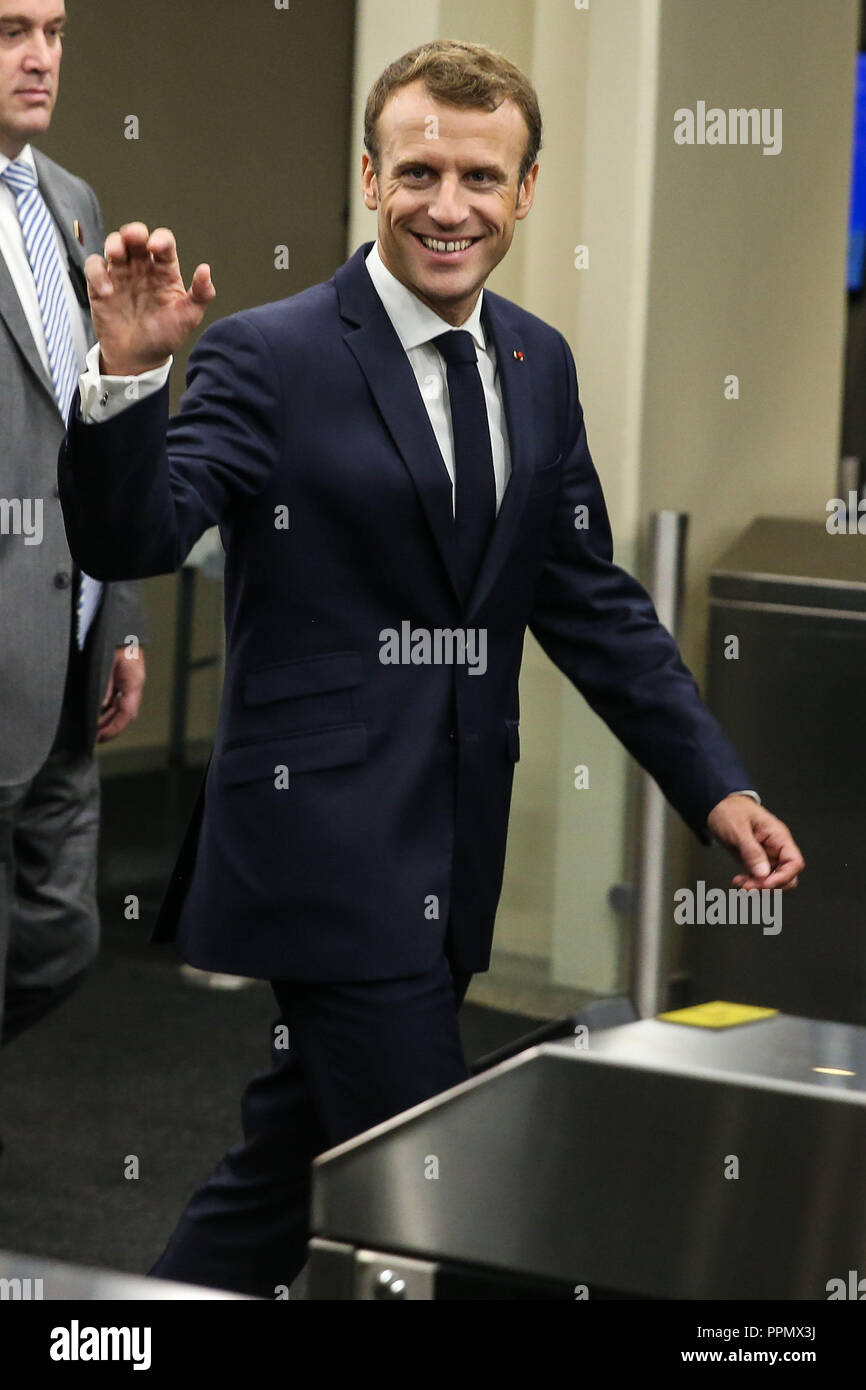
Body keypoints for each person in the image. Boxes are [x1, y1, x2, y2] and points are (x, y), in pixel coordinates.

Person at [58, 39, 803, 1297]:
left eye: (476, 175)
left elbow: (587, 602)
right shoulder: (269, 355)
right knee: (451, 1189)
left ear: (522, 195)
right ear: (368, 176)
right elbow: (138, 532)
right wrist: (130, 376)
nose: (443, 204)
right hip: (324, 850)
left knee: (291, 1173)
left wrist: (709, 784)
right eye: (416, 170)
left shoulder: (536, 364)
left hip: (454, 843)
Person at [0, 0, 146, 1054]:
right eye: (10, 30)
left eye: (53, 31)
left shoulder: (71, 202)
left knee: (57, 939)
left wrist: (122, 610)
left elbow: (97, 414)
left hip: (69, 652)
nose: (42, 57)